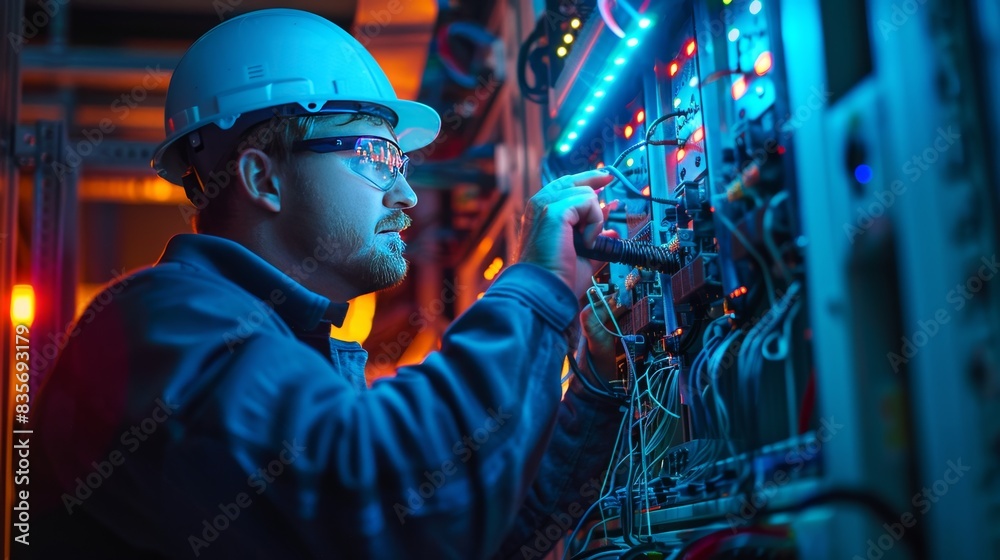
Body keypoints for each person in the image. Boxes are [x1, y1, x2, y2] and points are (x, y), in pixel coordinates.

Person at [32, 8, 625, 559]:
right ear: (263, 178)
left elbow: (479, 533)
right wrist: (534, 288)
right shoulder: (159, 328)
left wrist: (595, 378)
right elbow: (393, 505)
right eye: (375, 156)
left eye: (402, 163)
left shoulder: (280, 343)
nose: (407, 195)